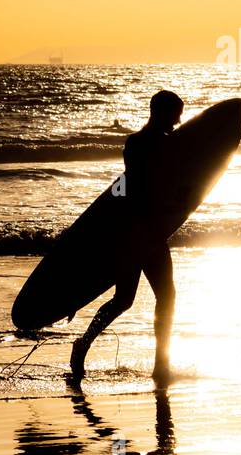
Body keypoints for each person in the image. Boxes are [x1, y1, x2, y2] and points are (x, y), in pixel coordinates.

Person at [69, 90, 183, 383]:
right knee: (163, 297)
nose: (178, 120)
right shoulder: (159, 144)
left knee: (124, 300)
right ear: (161, 112)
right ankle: (160, 364)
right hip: (145, 234)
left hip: (132, 232)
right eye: (175, 114)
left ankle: (84, 344)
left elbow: (131, 186)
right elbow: (148, 185)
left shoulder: (134, 142)